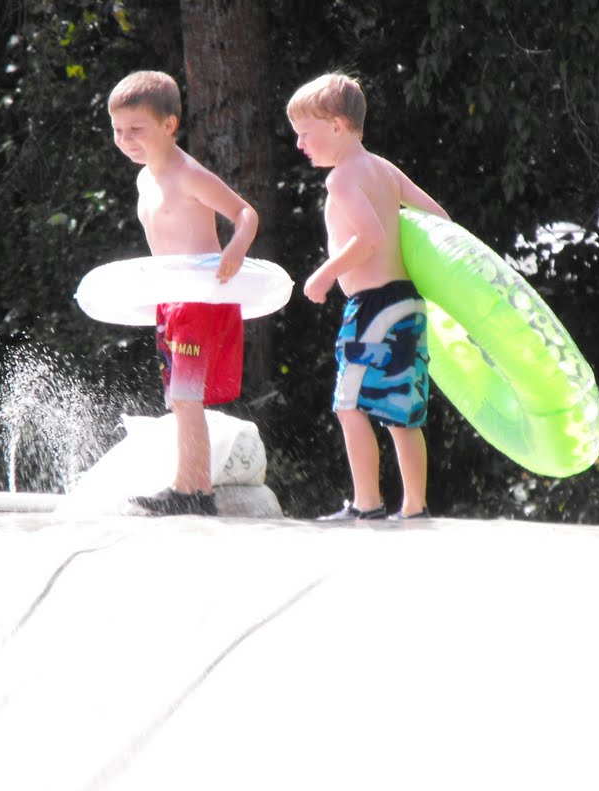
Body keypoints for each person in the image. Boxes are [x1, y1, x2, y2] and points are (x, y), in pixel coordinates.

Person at [287, 73, 449, 521]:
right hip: (407, 304)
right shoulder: (383, 168)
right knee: (402, 413)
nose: (299, 144)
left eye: (305, 133)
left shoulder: (341, 179)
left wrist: (321, 276)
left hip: (373, 307)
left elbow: (370, 237)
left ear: (337, 126)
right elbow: (438, 217)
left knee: (348, 404)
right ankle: (414, 508)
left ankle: (367, 504)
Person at [108, 70, 260, 516]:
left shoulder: (187, 174)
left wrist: (234, 250)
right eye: (118, 130)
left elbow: (245, 213)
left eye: (136, 129)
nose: (125, 139)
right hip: (171, 302)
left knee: (187, 397)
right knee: (179, 398)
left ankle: (190, 492)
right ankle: (195, 489)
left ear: (169, 125)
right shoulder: (145, 181)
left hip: (200, 301)